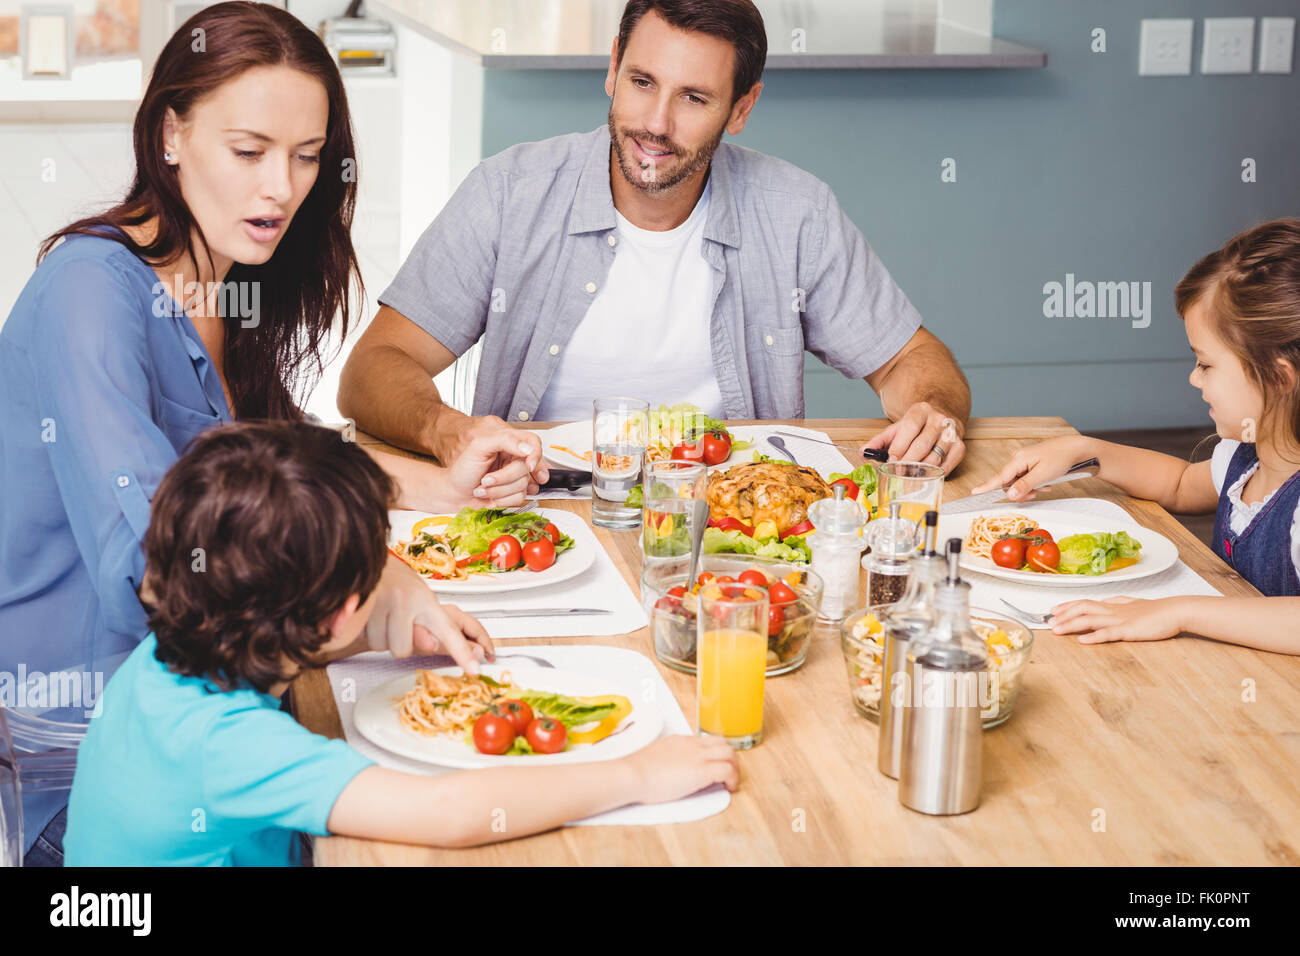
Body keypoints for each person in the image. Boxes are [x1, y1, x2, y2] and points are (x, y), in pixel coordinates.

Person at [0, 1, 525, 866]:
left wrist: (436, 481)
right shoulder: (89, 295)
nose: (280, 187)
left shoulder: (224, 279)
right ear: (170, 135)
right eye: (248, 152)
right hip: (93, 761)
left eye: (307, 156)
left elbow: (273, 468)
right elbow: (153, 573)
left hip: (221, 707)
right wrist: (376, 586)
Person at [338, 0, 971, 477]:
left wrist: (933, 410)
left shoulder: (796, 213)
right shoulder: (510, 192)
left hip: (731, 525)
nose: (657, 124)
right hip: (543, 510)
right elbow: (372, 370)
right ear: (613, 68)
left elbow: (910, 360)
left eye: (694, 97)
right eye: (643, 82)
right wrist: (449, 432)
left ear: (742, 108)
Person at [63, 422, 739, 865]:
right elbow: (448, 813)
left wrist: (398, 617)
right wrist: (639, 775)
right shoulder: (229, 746)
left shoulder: (181, 643)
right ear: (339, 615)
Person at [972, 219, 1300, 653]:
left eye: (1206, 364)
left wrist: (1178, 610)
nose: (1193, 378)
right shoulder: (1249, 458)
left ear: (1278, 378)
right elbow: (1181, 484)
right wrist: (1086, 452)